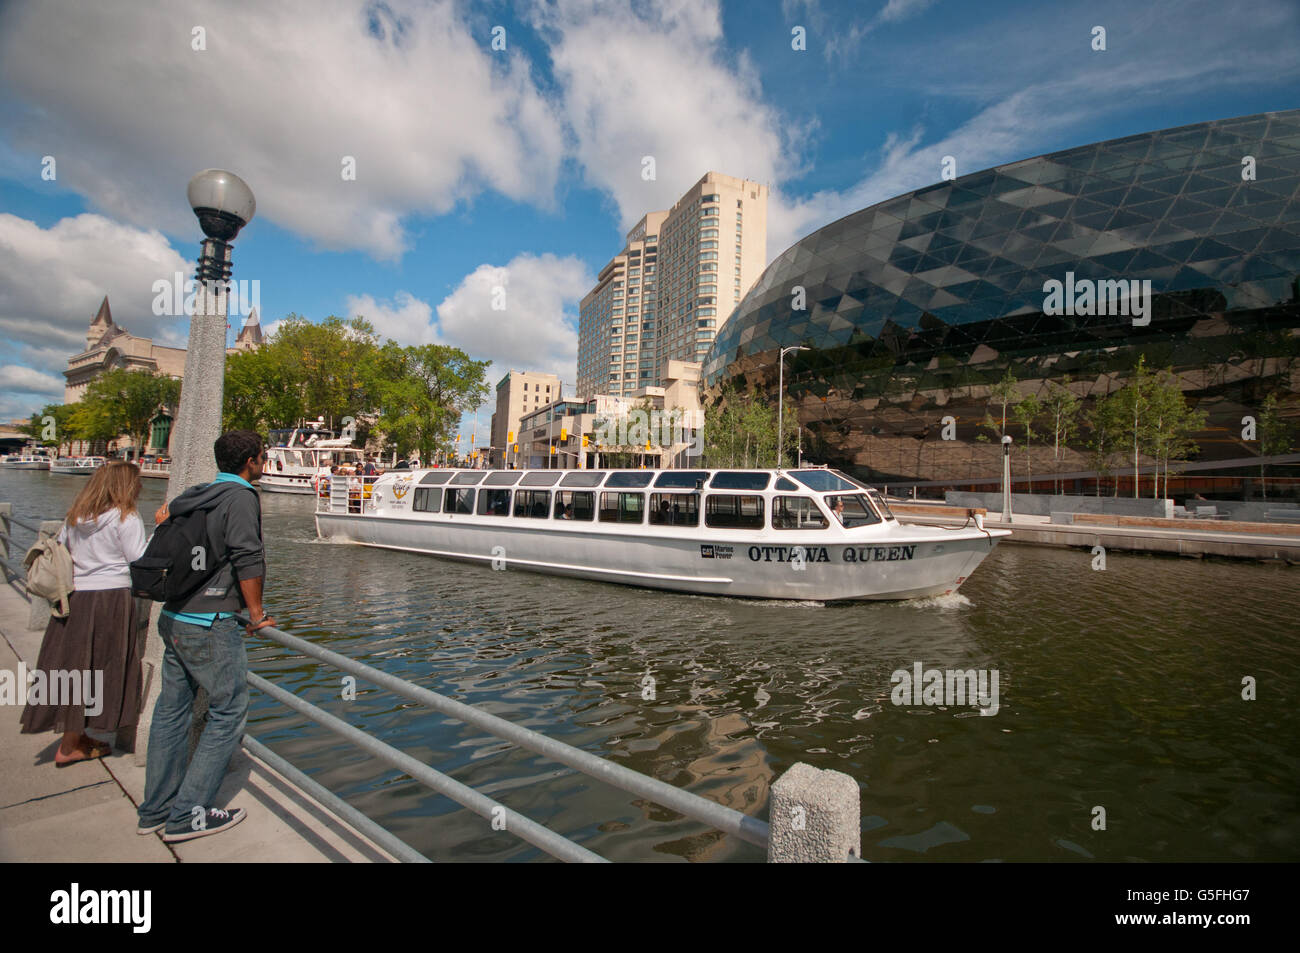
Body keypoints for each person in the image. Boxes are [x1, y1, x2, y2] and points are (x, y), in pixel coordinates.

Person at [137, 430, 273, 843]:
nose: (264, 464)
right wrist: (255, 613)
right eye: (262, 457)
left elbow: (164, 524)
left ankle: (155, 809)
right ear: (250, 460)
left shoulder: (193, 495)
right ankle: (189, 814)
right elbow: (248, 556)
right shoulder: (241, 497)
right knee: (229, 709)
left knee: (171, 710)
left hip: (174, 615)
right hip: (209, 622)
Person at [20, 461, 148, 765]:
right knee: (104, 666)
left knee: (75, 666)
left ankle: (75, 736)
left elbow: (64, 551)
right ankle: (71, 745)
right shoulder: (126, 517)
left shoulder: (76, 517)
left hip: (75, 598)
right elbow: (139, 559)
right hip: (111, 599)